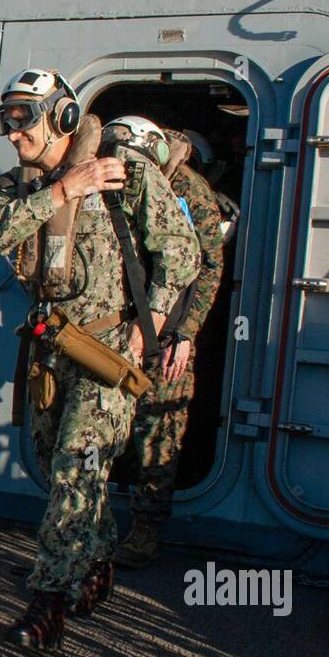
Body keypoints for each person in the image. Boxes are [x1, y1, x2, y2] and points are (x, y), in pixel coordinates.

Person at [0, 70, 200, 650]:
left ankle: (45, 601)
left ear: (63, 117)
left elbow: (181, 253)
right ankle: (97, 562)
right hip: (52, 352)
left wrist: (148, 329)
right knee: (63, 468)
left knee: (77, 470)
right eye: (7, 118)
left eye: (24, 117)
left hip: (108, 353)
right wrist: (65, 188)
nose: (12, 131)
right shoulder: (21, 186)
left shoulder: (123, 171)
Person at [116, 128, 227, 568]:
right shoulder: (118, 176)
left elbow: (211, 262)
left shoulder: (189, 190)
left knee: (157, 436)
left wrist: (186, 332)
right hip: (120, 325)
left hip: (169, 332)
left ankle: (145, 529)